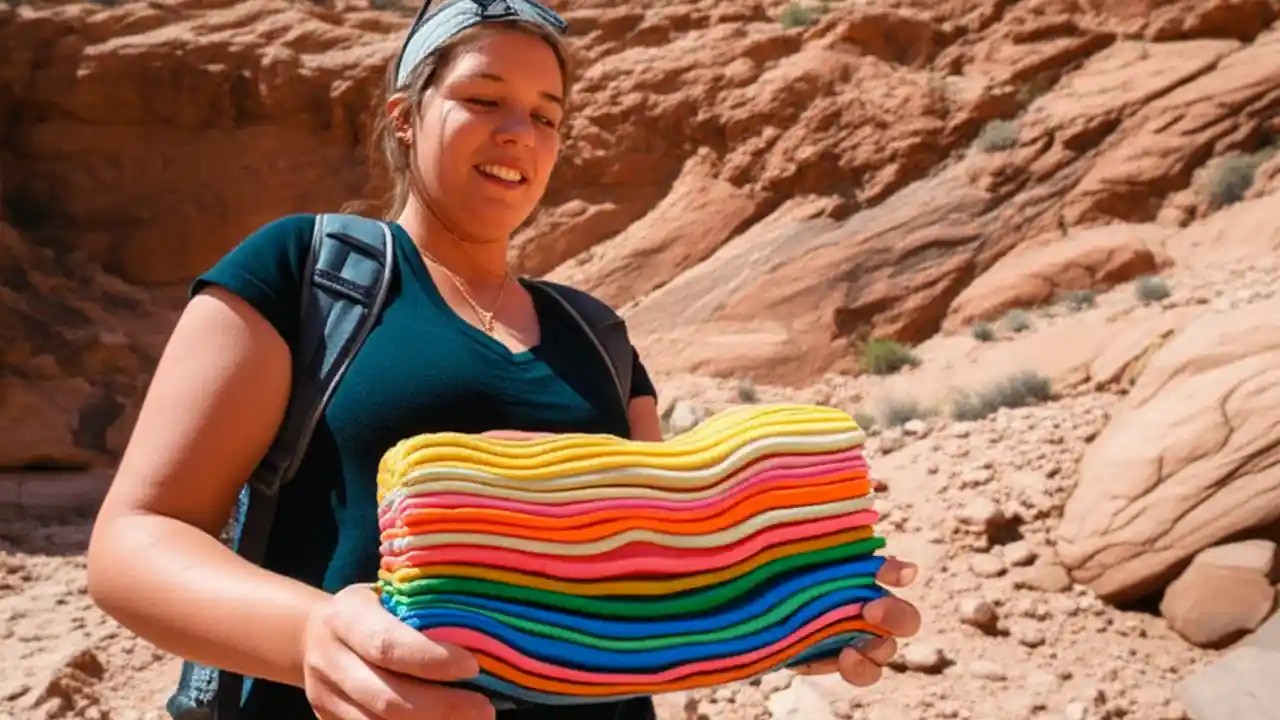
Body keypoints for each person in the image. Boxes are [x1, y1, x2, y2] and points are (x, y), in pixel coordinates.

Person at [85, 1, 922, 718]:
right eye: (484, 98)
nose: (519, 133)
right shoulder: (306, 272)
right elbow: (136, 541)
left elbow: (652, 576)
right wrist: (310, 634)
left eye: (547, 114)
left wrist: (796, 611)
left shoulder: (598, 333)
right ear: (405, 116)